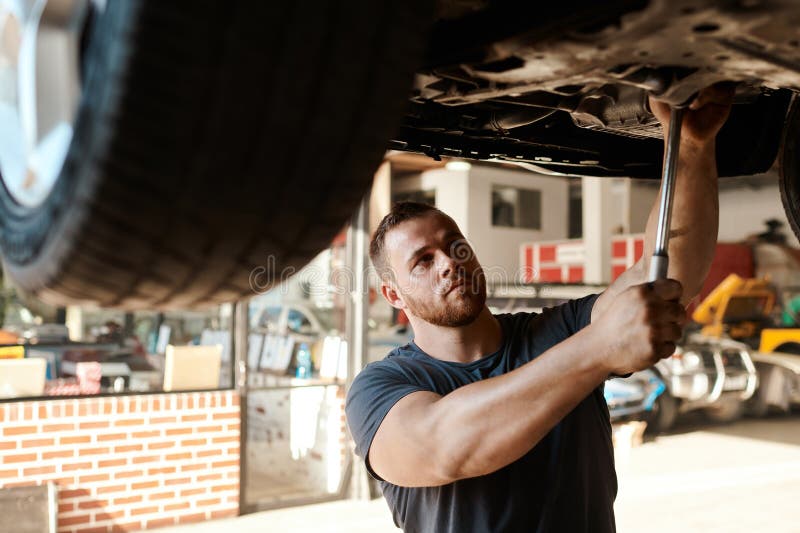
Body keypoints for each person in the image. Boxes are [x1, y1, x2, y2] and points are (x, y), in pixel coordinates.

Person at [345, 84, 734, 533]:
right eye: (424, 261)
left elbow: (667, 275)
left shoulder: (559, 330)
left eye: (457, 247)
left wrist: (691, 147)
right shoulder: (381, 387)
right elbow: (447, 448)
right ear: (393, 295)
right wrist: (597, 349)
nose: (450, 263)